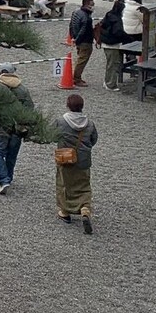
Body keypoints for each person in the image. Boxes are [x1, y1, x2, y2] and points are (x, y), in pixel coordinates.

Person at [55, 92, 98, 234]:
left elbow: (52, 134)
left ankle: (65, 212)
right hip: (84, 159)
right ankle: (85, 208)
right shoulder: (90, 123)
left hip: (66, 158)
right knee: (84, 185)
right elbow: (93, 139)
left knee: (64, 184)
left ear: (68, 106)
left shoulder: (61, 121)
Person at [0, 63, 34, 195]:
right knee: (11, 155)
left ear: (0, 73)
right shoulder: (22, 89)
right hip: (17, 128)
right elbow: (30, 108)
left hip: (0, 127)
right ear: (14, 72)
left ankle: (3, 180)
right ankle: (9, 177)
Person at [98, 0, 128, 91]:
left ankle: (108, 81)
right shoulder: (117, 20)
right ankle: (110, 84)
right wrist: (127, 38)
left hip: (105, 43)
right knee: (113, 64)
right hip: (112, 44)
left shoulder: (109, 15)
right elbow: (118, 33)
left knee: (110, 64)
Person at [68, 0, 95, 86]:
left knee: (80, 58)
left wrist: (73, 37)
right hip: (85, 41)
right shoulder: (87, 18)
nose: (93, 5)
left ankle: (76, 76)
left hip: (77, 39)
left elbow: (71, 25)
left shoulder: (76, 12)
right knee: (82, 60)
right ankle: (76, 78)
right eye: (92, 4)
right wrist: (78, 40)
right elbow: (83, 31)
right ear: (88, 4)